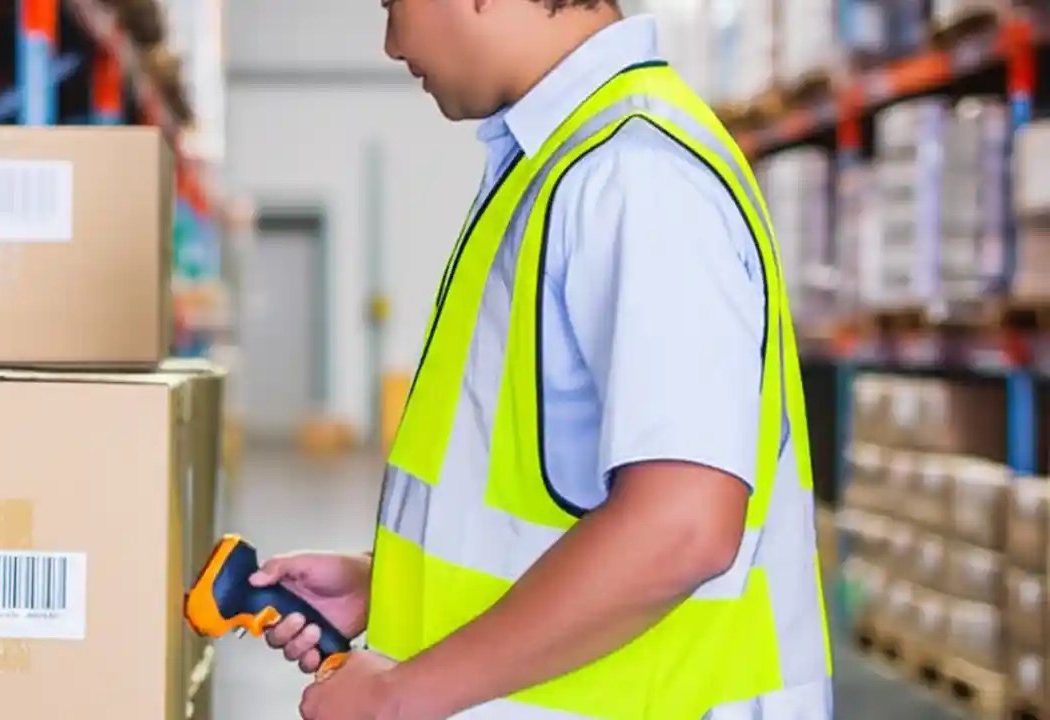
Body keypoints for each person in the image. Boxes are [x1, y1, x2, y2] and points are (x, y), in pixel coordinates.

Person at [249, 1, 833, 718]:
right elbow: (544, 491)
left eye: (392, 3)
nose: (392, 42)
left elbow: (683, 526)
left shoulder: (633, 175)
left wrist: (404, 696)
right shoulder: (558, 165)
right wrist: (388, 584)